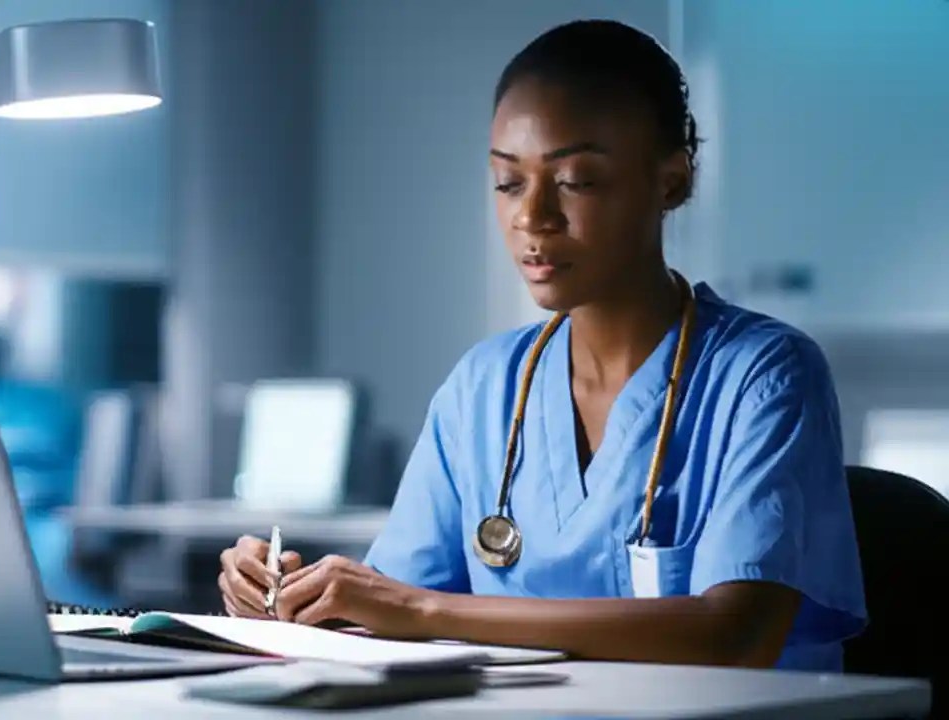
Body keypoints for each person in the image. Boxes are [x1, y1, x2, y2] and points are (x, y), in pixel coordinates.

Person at [217, 18, 866, 671]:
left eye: (576, 180)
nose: (533, 217)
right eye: (508, 182)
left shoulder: (764, 375)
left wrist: (421, 611)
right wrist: (299, 595)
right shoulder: (484, 388)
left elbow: (734, 635)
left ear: (670, 180)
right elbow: (388, 610)